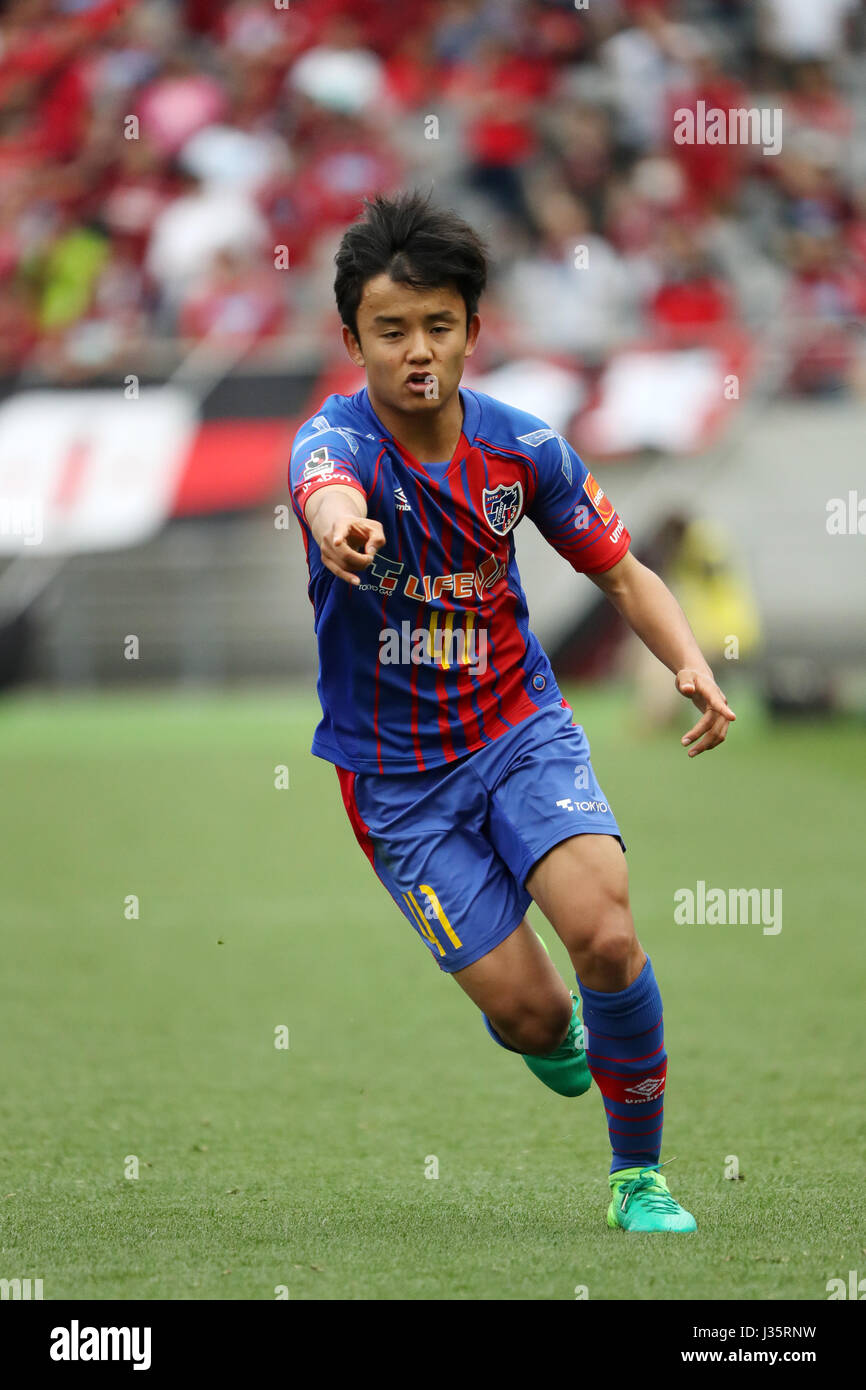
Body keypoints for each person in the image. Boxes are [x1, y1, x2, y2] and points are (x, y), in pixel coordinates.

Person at [289, 191, 736, 1233]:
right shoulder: (334, 440)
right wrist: (339, 528)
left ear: (471, 331)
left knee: (607, 934)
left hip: (516, 730)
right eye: (390, 330)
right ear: (351, 336)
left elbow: (621, 571)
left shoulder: (523, 448)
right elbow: (326, 491)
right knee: (536, 1015)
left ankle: (638, 1180)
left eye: (436, 326)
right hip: (395, 781)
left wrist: (689, 663)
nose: (416, 351)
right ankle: (548, 1034)